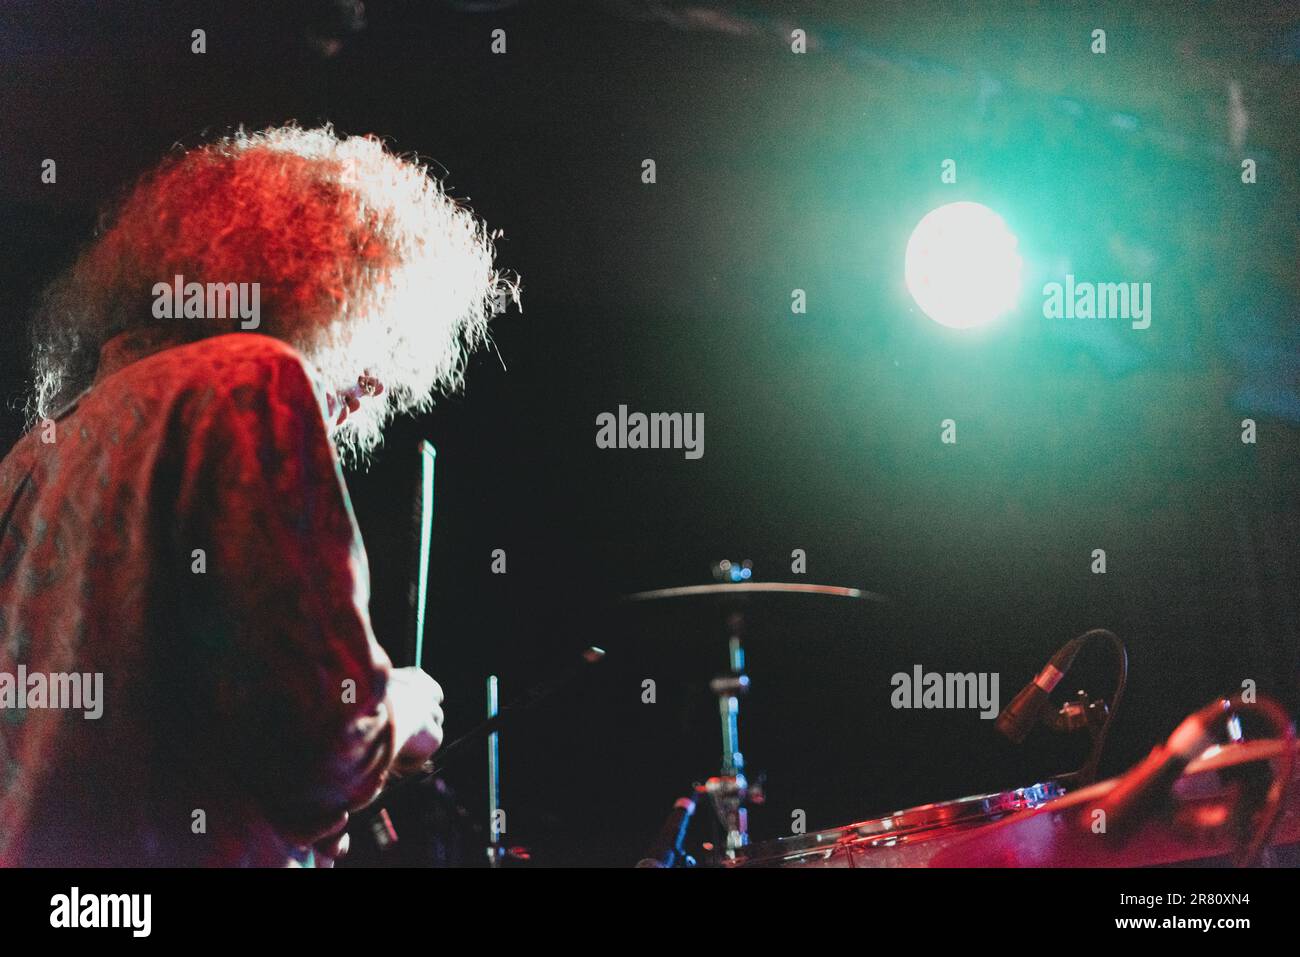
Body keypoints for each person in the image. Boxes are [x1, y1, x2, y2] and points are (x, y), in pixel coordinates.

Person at [0, 124, 515, 866]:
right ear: (320, 284)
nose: (367, 397)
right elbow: (325, 748)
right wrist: (400, 709)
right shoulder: (247, 382)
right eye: (372, 359)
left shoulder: (31, 458)